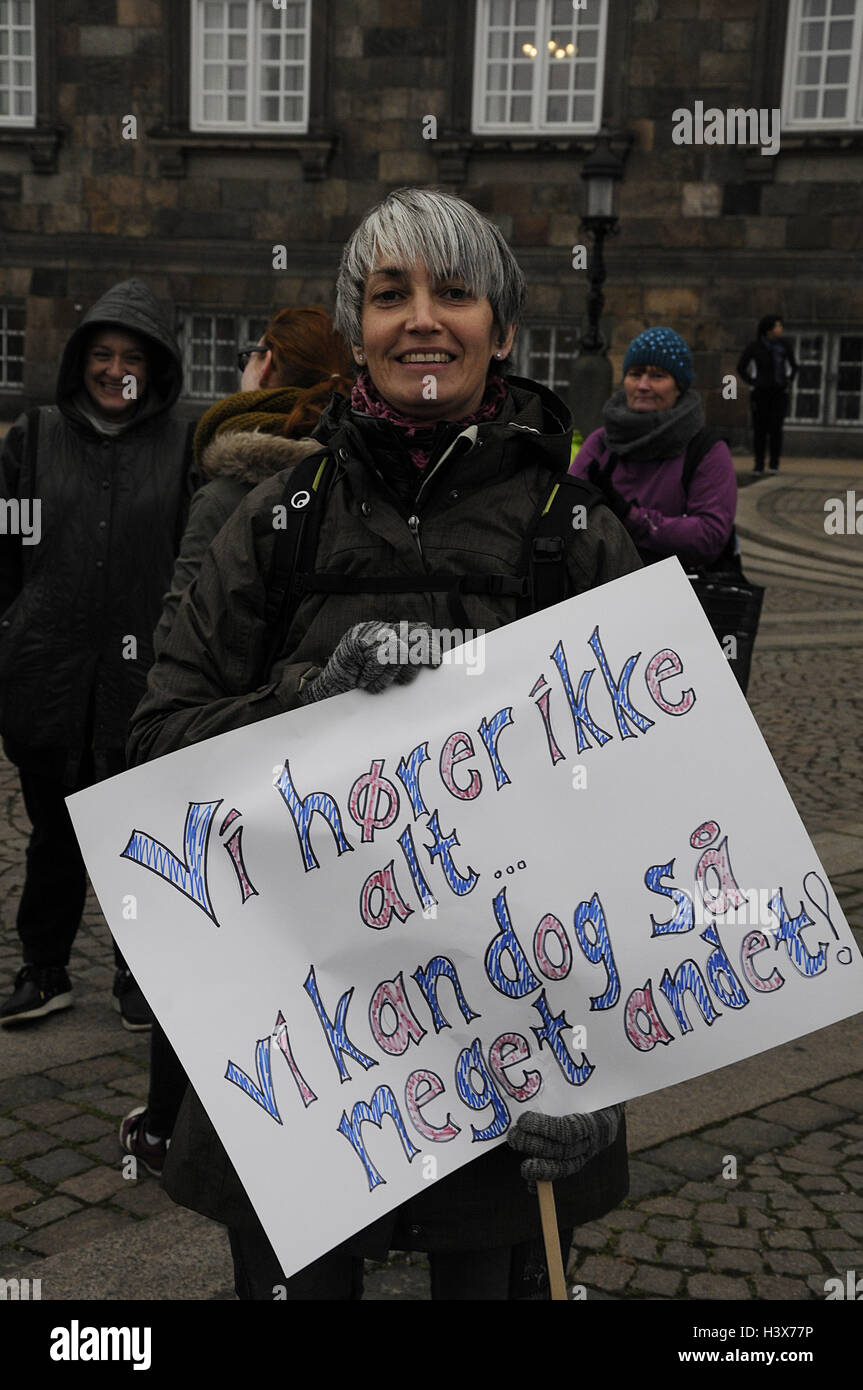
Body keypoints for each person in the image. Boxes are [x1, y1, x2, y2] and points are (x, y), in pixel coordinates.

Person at [127, 187, 642, 1301]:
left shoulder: (576, 534)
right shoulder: (267, 520)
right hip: (298, 1034)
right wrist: (309, 697)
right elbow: (156, 748)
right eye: (388, 293)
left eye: (454, 291)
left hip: (507, 1035)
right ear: (353, 326)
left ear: (501, 329)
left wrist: (605, 1058)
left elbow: (649, 817)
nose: (421, 318)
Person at [120, 306, 354, 1176]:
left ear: (276, 370)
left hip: (226, 745)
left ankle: (171, 1133)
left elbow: (180, 630)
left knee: (204, 958)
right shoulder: (343, 479)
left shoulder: (229, 484)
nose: (246, 362)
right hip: (315, 768)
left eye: (258, 350)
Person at [0, 280, 194, 1031]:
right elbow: (6, 547)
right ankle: (43, 970)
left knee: (136, 835)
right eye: (102, 355)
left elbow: (190, 560)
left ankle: (135, 975)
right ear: (81, 361)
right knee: (53, 832)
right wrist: (13, 626)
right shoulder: (35, 439)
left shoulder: (180, 451)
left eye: (133, 357)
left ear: (157, 367)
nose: (117, 370)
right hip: (48, 672)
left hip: (139, 678)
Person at [570, 326, 737, 569]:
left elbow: (709, 536)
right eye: (635, 374)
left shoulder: (706, 450)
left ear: (678, 386)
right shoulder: (602, 442)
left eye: (657, 376)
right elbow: (566, 514)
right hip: (601, 588)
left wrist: (631, 517)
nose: (643, 385)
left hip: (675, 593)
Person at [737, 315, 798, 474]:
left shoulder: (784, 346)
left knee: (776, 429)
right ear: (769, 329)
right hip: (761, 392)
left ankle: (774, 463)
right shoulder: (755, 347)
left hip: (778, 392)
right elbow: (741, 367)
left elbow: (793, 366)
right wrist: (753, 382)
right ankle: (758, 464)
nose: (780, 329)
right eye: (778, 326)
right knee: (760, 430)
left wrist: (788, 381)